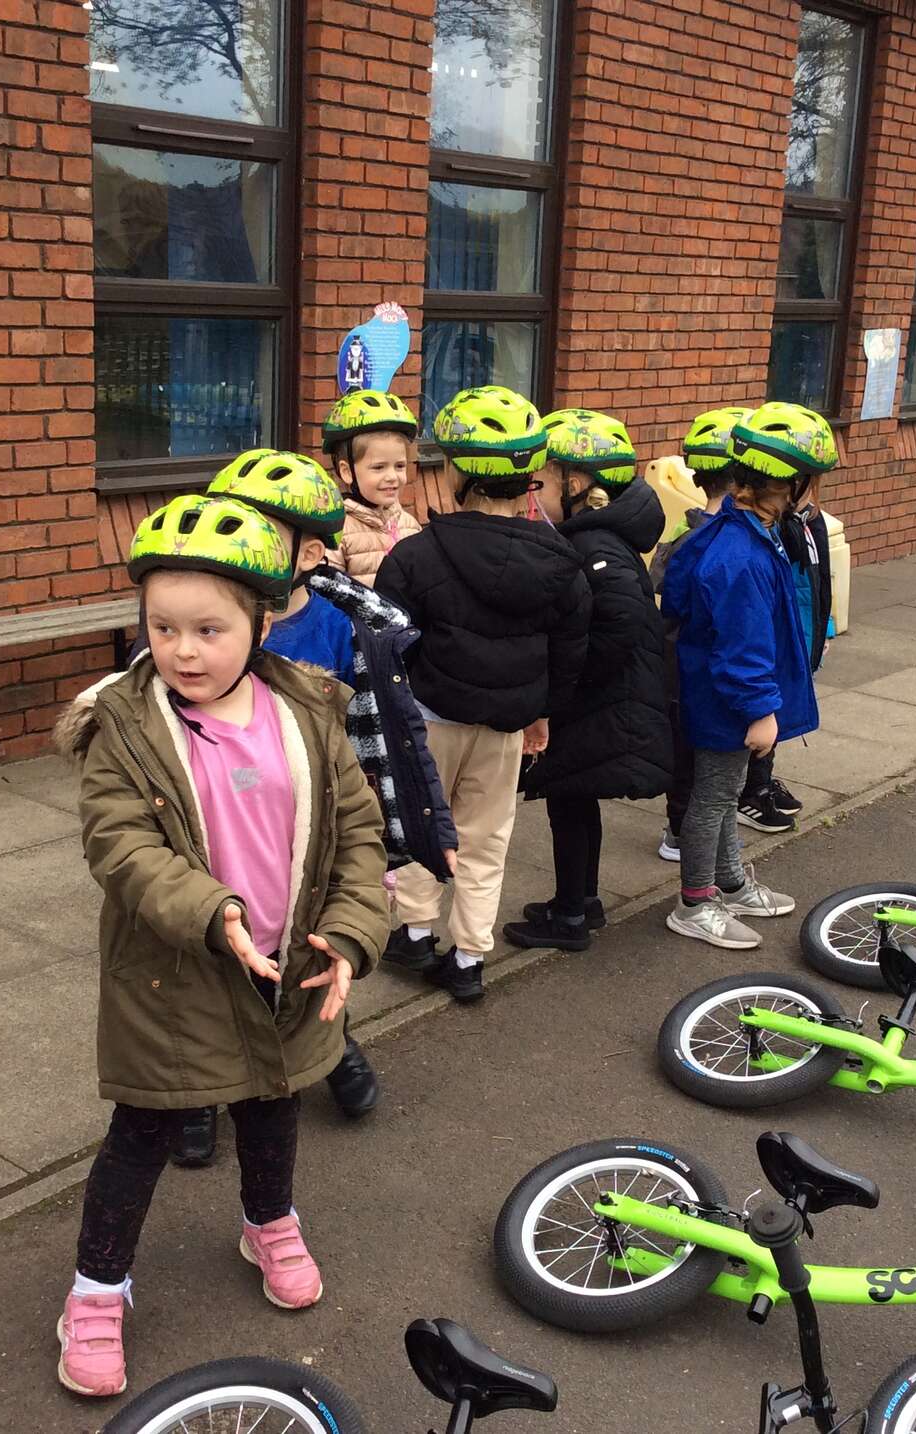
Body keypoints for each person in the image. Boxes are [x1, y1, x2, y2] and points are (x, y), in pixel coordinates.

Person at [52, 494, 388, 1398]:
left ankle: (269, 1222)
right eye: (162, 628)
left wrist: (350, 934)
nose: (183, 651)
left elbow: (358, 835)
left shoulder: (307, 710)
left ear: (262, 623)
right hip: (174, 972)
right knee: (144, 1131)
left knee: (273, 1106)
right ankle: (96, 1290)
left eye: (208, 630)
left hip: (288, 966)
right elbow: (120, 845)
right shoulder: (123, 725)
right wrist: (213, 912)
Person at [156, 448, 456, 1162]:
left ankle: (331, 1041)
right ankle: (199, 1095)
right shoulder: (201, 625)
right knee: (207, 959)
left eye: (263, 535)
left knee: (310, 946)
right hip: (214, 822)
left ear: (311, 553)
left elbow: (392, 732)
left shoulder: (340, 627)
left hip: (308, 822)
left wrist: (427, 821)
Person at [374, 386, 591, 1002]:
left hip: (426, 720)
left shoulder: (413, 557)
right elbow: (569, 652)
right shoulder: (562, 564)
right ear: (530, 478)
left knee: (419, 821)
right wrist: (543, 714)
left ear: (455, 473)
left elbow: (387, 645)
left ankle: (416, 933)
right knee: (486, 840)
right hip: (506, 726)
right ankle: (468, 959)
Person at [658, 403, 839, 949]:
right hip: (727, 700)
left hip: (716, 692)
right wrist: (761, 710)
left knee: (727, 790)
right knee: (713, 798)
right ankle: (695, 904)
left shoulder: (741, 532)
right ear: (788, 484)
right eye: (812, 481)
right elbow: (743, 643)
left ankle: (731, 883)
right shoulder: (740, 556)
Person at [504, 409, 671, 952]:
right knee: (576, 800)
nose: (536, 495)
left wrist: (571, 680)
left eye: (543, 483)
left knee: (568, 802)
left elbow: (621, 617)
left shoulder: (595, 546)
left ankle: (570, 917)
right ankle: (581, 900)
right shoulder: (599, 535)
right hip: (604, 699)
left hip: (598, 702)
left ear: (576, 485)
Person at [650, 406, 754, 863]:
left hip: (677, 666)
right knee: (707, 775)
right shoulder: (729, 544)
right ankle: (688, 844)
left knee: (688, 762)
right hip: (708, 673)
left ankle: (683, 832)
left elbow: (662, 590)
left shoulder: (684, 528)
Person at [736, 458, 835, 834]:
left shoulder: (809, 522)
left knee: (780, 711)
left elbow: (820, 582)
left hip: (804, 629)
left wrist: (825, 628)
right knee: (767, 711)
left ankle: (761, 780)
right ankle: (752, 789)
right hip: (780, 637)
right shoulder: (779, 528)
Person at [322, 389, 423, 584]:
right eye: (379, 467)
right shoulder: (337, 533)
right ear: (347, 471)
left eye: (399, 466)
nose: (392, 477)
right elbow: (329, 593)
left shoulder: (410, 525)